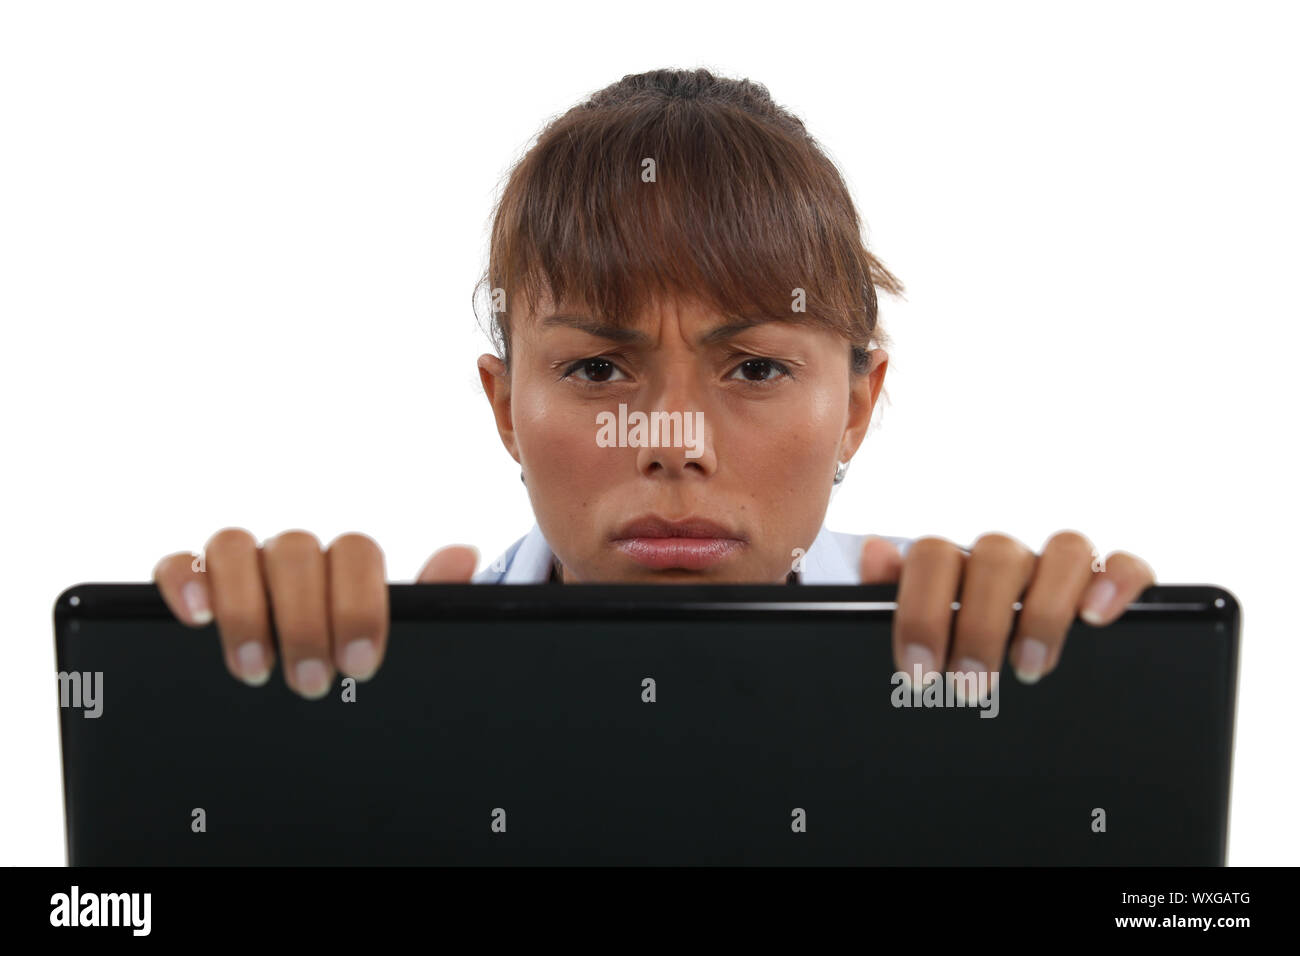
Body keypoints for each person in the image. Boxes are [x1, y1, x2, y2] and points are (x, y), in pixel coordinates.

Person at [152, 68, 1155, 700]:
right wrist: (244, 729)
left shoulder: (988, 657)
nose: (673, 438)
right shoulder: (368, 674)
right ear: (506, 407)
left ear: (854, 405)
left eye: (755, 367)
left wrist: (1084, 714)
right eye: (596, 368)